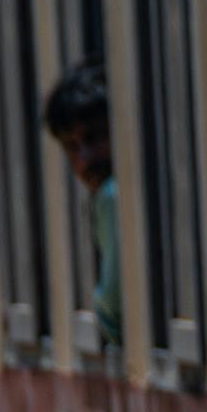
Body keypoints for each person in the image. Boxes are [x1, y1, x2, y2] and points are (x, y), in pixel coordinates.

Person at [43, 60, 120, 356]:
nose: (84, 160)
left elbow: (112, 311)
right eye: (72, 147)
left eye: (95, 138)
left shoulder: (111, 196)